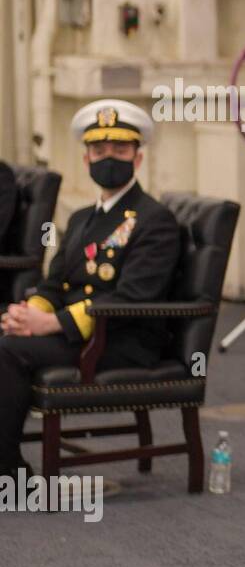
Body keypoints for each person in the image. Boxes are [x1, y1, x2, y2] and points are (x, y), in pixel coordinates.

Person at [0, 100, 180, 480]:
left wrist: (50, 324)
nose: (108, 158)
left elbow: (132, 298)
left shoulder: (154, 219)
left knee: (9, 351)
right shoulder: (82, 217)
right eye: (99, 150)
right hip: (76, 332)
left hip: (121, 339)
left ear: (138, 158)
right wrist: (29, 315)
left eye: (120, 149)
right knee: (7, 333)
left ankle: (8, 471)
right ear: (86, 160)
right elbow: (54, 282)